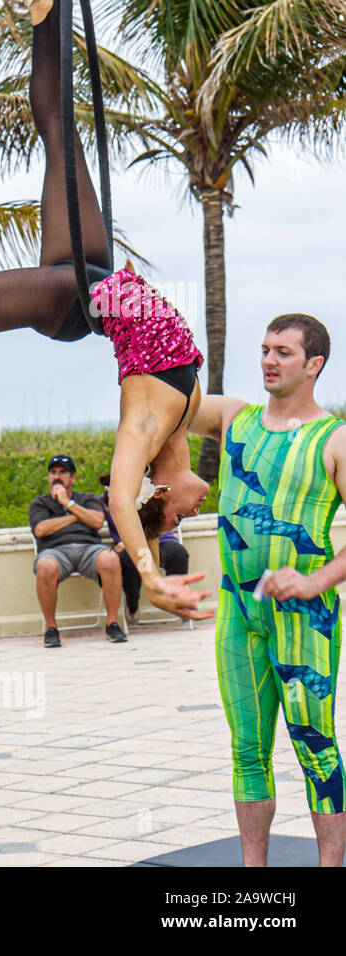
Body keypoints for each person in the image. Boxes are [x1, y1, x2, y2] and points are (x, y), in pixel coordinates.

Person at [0, 0, 211, 622]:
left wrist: (149, 574)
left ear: (162, 489)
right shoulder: (191, 414)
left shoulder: (146, 427)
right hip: (97, 280)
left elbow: (121, 503)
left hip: (74, 303)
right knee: (58, 129)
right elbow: (268, 416)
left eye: (179, 513)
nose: (195, 511)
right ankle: (50, 12)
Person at [190, 314, 346, 867]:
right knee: (246, 749)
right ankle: (252, 876)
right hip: (239, 609)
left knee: (315, 745)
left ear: (314, 365)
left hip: (307, 617)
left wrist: (315, 580)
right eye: (263, 349)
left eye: (282, 351)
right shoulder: (236, 419)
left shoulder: (335, 439)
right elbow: (171, 399)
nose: (268, 360)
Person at [29, 455, 124, 647]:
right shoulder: (40, 503)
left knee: (110, 558)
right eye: (53, 472)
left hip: (89, 549)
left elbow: (97, 521)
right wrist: (77, 516)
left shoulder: (86, 498)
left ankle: (112, 623)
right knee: (45, 565)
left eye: (62, 472)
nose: (57, 476)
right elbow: (41, 529)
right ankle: (51, 628)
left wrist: (67, 504)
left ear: (72, 478)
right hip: (55, 551)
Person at [98, 472, 190, 622]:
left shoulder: (151, 491)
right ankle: (132, 605)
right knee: (127, 560)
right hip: (129, 543)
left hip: (161, 539)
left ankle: (180, 602)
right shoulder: (111, 500)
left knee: (177, 553)